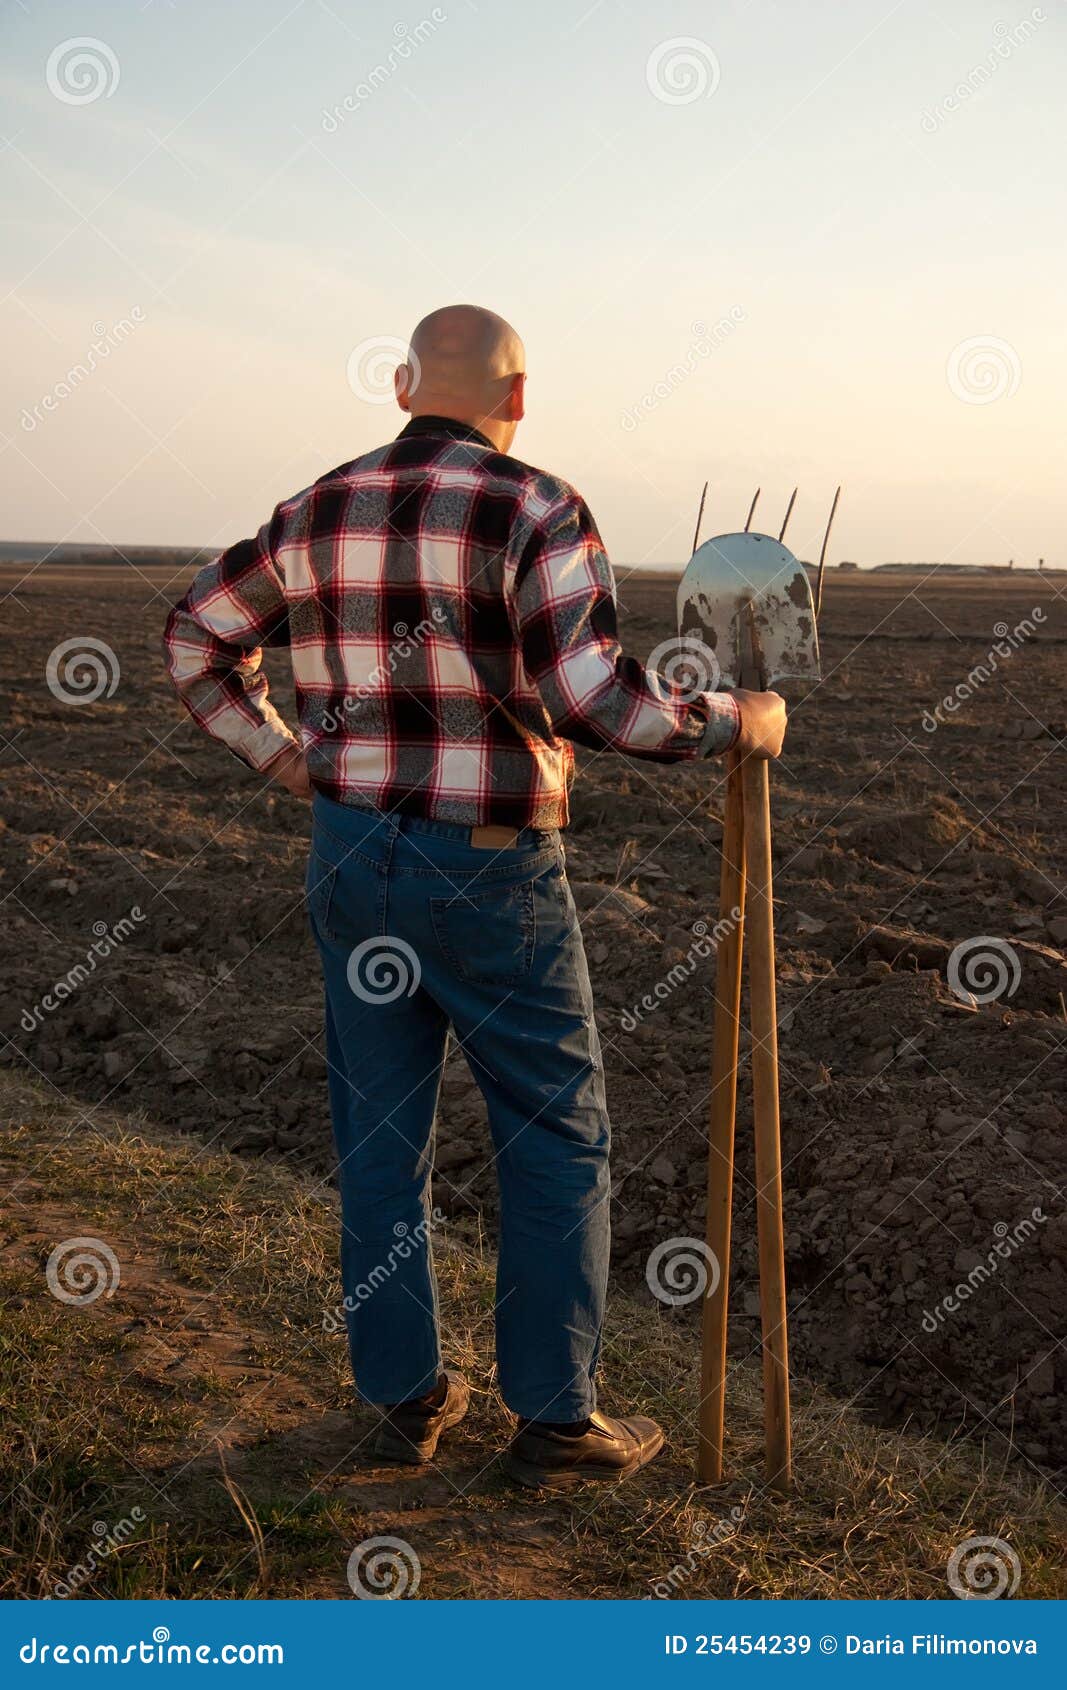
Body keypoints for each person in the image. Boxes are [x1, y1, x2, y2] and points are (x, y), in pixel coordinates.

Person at [163, 304, 786, 1489]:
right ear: (517, 394)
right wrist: (735, 722)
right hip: (489, 865)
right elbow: (594, 696)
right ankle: (554, 1422)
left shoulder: (316, 507)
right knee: (555, 1132)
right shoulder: (534, 506)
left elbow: (196, 636)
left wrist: (284, 754)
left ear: (404, 386)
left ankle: (399, 1401)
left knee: (379, 1136)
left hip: (350, 853)